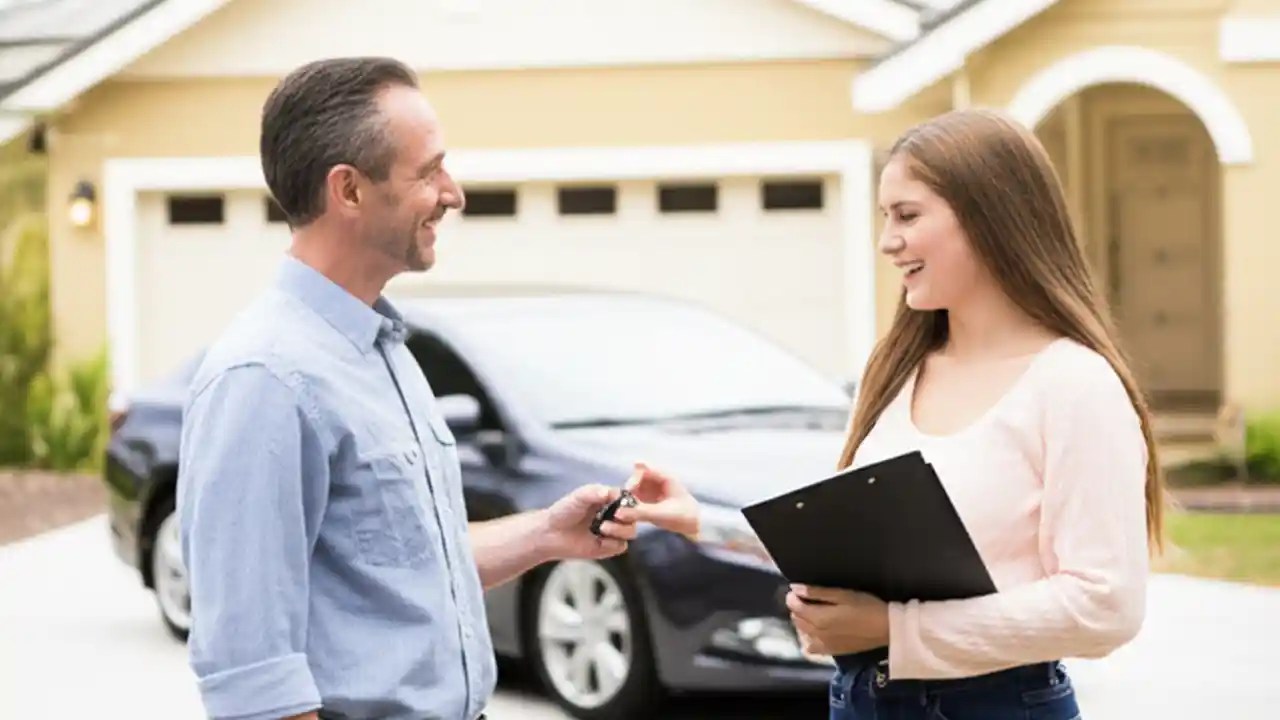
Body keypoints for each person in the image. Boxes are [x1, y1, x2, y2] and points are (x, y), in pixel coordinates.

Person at [176, 56, 700, 720]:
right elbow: (252, 674)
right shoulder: (266, 381)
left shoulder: (383, 351)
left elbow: (407, 566)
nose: (453, 193)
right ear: (350, 191)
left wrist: (547, 532)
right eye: (429, 171)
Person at [785, 108, 1163, 719]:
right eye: (886, 218)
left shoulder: (1074, 384)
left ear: (991, 217)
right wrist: (826, 612)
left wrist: (897, 630)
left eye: (907, 215)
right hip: (861, 700)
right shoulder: (894, 370)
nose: (887, 241)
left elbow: (1107, 606)